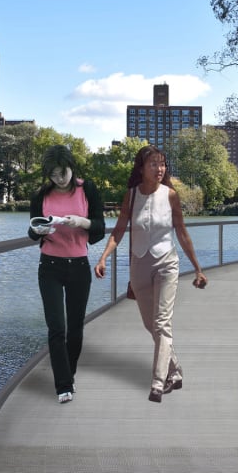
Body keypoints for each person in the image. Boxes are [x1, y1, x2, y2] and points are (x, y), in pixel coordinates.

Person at [93, 145, 208, 404]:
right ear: (142, 168)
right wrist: (103, 258)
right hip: (139, 266)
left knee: (162, 323)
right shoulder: (131, 196)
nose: (160, 169)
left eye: (163, 164)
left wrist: (198, 268)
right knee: (150, 324)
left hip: (167, 263)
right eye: (154, 164)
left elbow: (182, 233)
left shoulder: (171, 195)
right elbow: (118, 231)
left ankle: (158, 382)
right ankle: (175, 371)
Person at [28, 145, 106, 404]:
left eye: (62, 173)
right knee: (56, 327)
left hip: (79, 266)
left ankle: (68, 374)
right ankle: (62, 386)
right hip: (49, 266)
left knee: (75, 328)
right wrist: (39, 231)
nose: (59, 179)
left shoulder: (87, 189)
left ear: (72, 167)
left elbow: (100, 226)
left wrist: (80, 222)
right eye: (53, 175)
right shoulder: (41, 194)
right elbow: (32, 230)